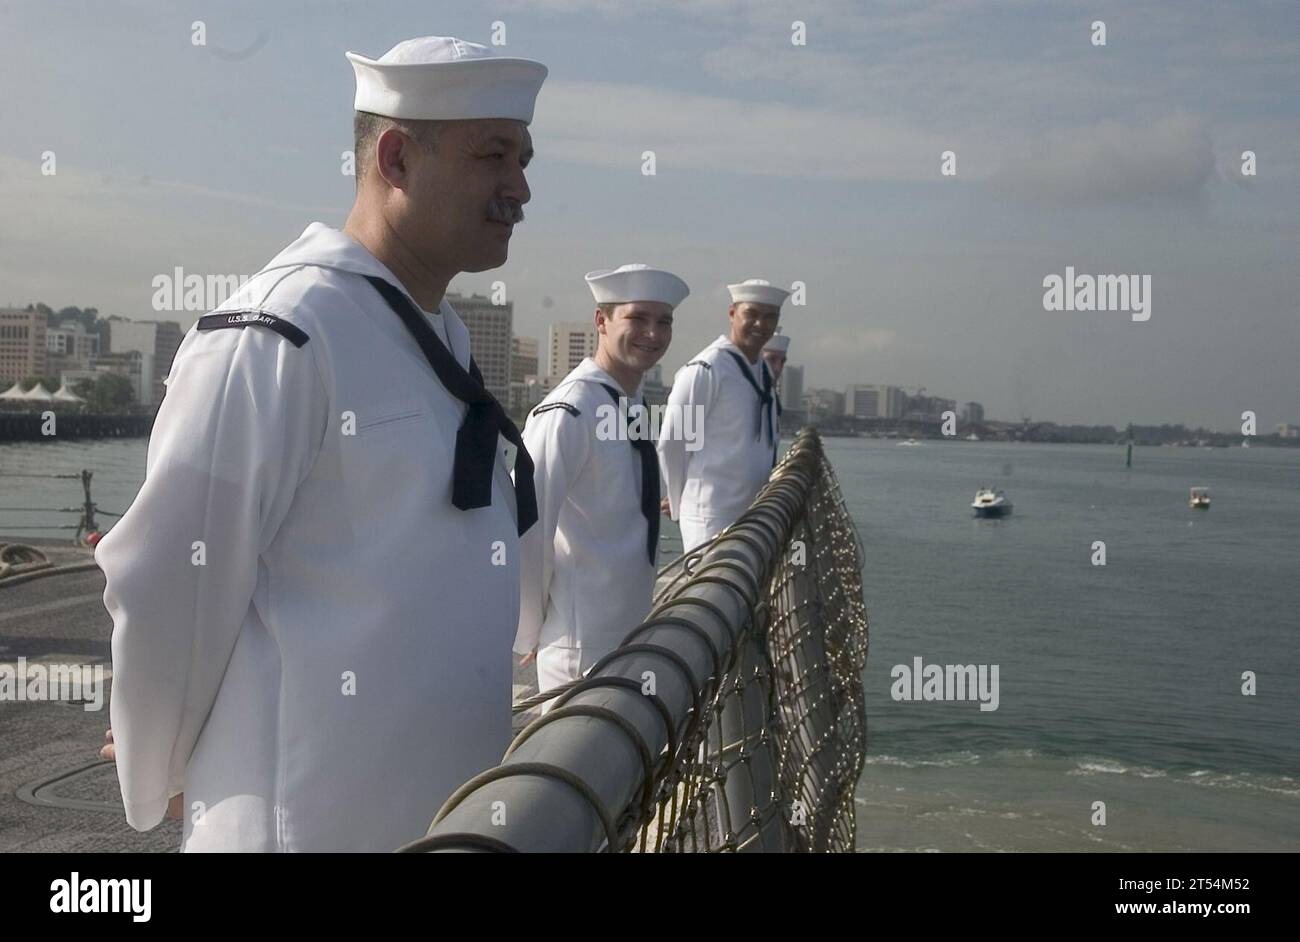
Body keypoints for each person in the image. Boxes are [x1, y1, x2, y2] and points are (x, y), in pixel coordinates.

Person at [94, 35, 546, 852]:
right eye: (494, 156)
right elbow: (173, 573)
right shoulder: (282, 332)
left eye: (524, 159)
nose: (519, 187)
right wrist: (156, 768)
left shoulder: (433, 335)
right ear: (398, 157)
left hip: (432, 822)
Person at [514, 265, 688, 706]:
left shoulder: (631, 404)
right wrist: (526, 632)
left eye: (663, 321)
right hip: (582, 646)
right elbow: (527, 524)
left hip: (630, 628)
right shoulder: (569, 411)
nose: (653, 333)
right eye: (637, 318)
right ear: (602, 321)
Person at [658, 279, 789, 552]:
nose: (760, 324)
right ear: (732, 313)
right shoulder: (708, 369)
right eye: (751, 314)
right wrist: (680, 499)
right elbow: (674, 442)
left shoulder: (762, 372)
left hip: (753, 514)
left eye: (769, 317)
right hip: (711, 516)